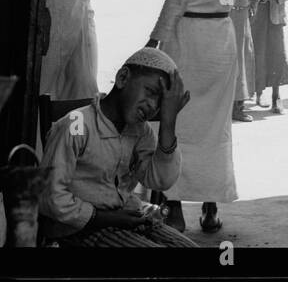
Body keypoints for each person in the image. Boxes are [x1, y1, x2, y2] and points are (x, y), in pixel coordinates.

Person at [145, 0, 248, 235]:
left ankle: (172, 205)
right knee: (215, 125)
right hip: (223, 36)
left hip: (188, 36)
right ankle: (210, 207)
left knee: (177, 119)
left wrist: (155, 40)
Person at [38, 47, 198, 247]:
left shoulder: (141, 131)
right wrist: (107, 218)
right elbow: (50, 196)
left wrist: (168, 123)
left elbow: (161, 181)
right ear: (123, 78)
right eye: (150, 92)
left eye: (160, 104)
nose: (151, 106)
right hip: (79, 229)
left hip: (126, 218)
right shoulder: (76, 125)